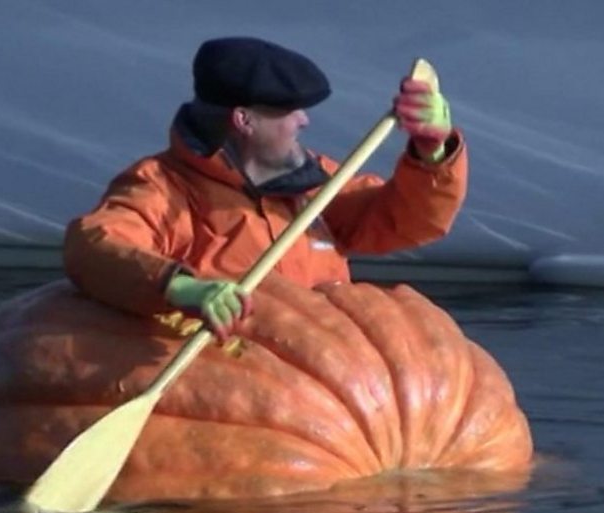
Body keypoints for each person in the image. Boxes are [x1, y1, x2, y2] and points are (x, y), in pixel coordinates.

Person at [64, 37, 467, 341]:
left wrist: (432, 151)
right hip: (231, 383)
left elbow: (408, 222)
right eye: (290, 111)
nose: (304, 121)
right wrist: (181, 287)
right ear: (244, 120)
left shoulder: (317, 183)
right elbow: (94, 246)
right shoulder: (163, 186)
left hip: (332, 382)